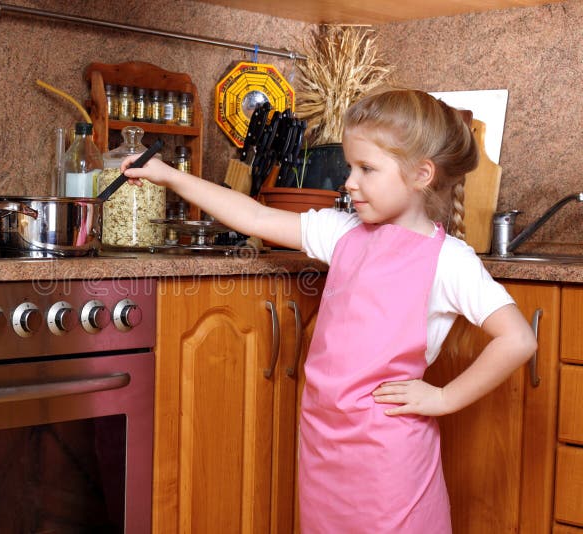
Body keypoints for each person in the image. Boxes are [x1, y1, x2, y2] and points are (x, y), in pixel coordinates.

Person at [121, 89, 537, 533]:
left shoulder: (449, 260)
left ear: (421, 174)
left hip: (388, 461)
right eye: (350, 167)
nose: (349, 182)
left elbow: (518, 338)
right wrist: (170, 177)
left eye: (366, 169)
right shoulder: (343, 233)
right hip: (323, 445)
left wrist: (442, 397)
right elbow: (255, 218)